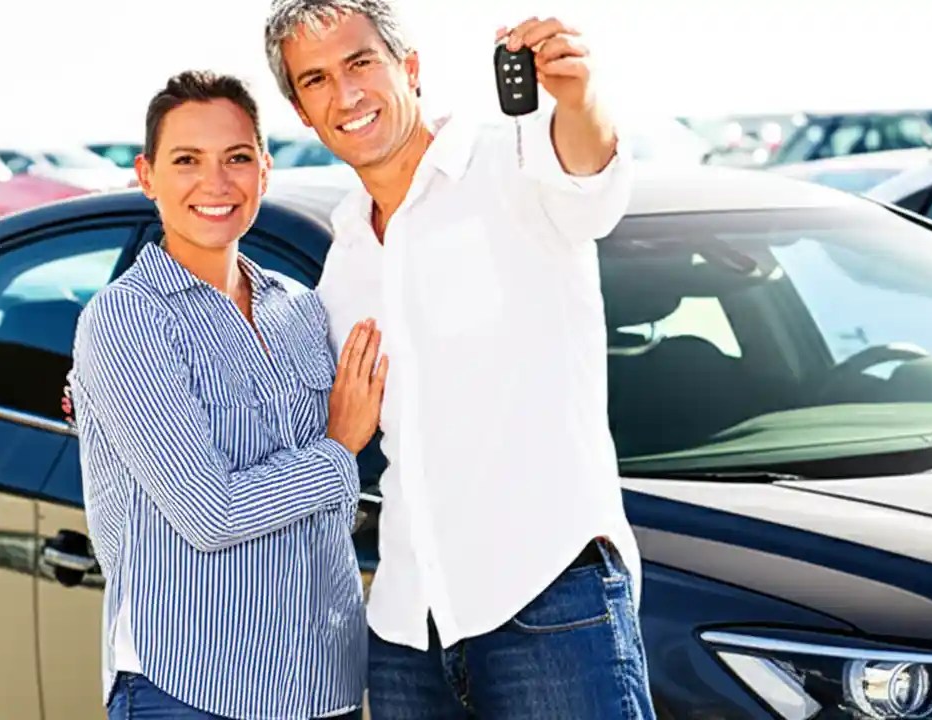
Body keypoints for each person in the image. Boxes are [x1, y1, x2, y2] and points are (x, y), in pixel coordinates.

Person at [264, 2, 654, 717]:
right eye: (316, 79)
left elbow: (589, 182)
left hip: (549, 602)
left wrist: (580, 93)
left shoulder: (510, 161)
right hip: (406, 631)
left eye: (360, 63)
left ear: (408, 68)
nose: (345, 94)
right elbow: (281, 412)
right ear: (302, 113)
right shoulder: (343, 261)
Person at [67, 70, 386, 720]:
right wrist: (336, 448)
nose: (215, 184)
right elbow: (212, 515)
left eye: (236, 158)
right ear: (147, 175)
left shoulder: (299, 309)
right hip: (192, 687)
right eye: (187, 160)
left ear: (264, 171)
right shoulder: (128, 319)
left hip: (325, 686)